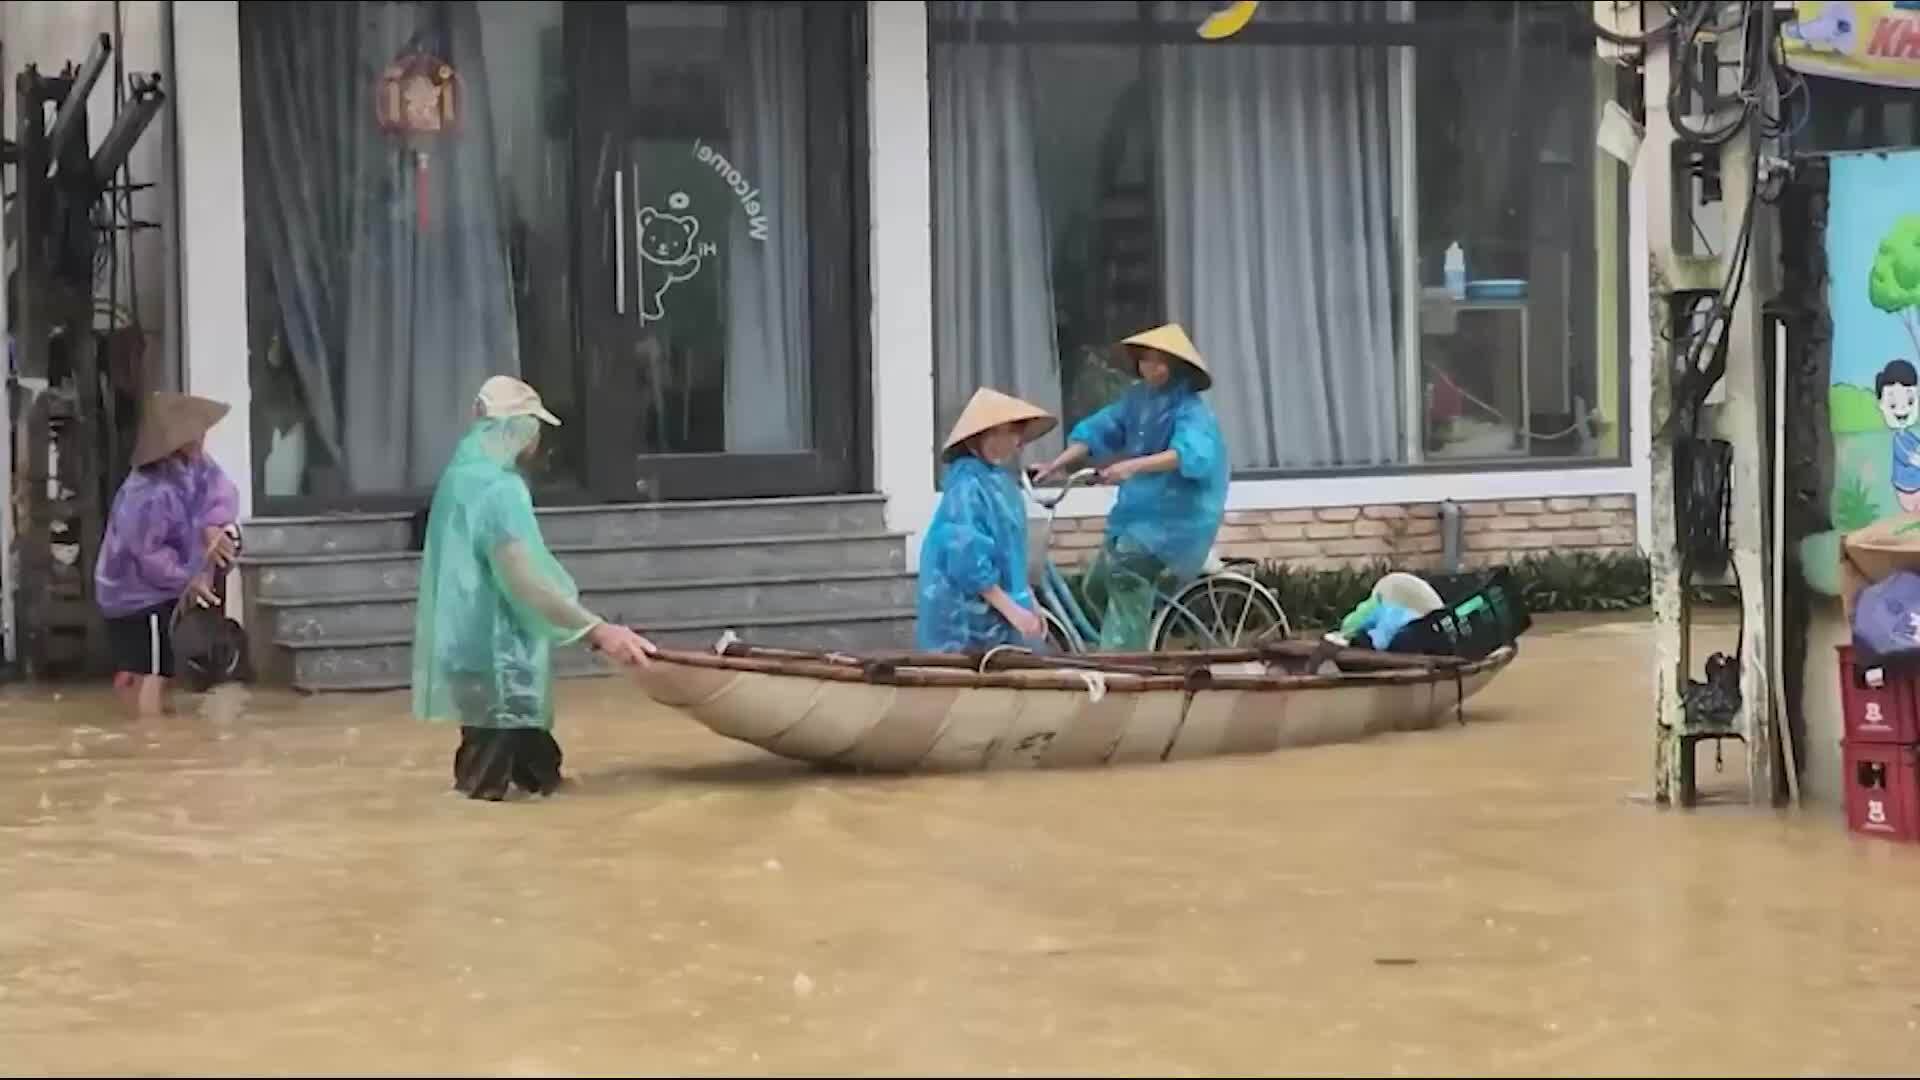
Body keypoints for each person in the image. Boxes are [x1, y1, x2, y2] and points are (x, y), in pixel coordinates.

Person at [412, 375, 657, 802]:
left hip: (471, 658)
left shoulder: (459, 479)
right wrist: (600, 632)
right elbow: (523, 581)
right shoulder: (501, 490)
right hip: (503, 669)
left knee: (541, 783)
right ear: (520, 429)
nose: (538, 441)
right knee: (482, 797)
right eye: (535, 428)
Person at [1035, 323, 1228, 651]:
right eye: (1145, 360)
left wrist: (1131, 466)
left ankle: (1125, 663)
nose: (1150, 368)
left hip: (1178, 515)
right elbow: (1100, 429)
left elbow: (1188, 454)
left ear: (1177, 366)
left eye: (1160, 361)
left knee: (1126, 576)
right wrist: (1057, 464)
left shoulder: (1192, 410)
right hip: (1139, 511)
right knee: (1096, 585)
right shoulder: (1138, 400)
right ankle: (1128, 636)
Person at [95, 392, 243, 718]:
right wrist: (187, 579)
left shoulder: (198, 467)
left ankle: (147, 712)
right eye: (196, 433)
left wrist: (212, 525)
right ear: (178, 442)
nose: (203, 437)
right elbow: (147, 553)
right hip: (135, 594)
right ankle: (151, 737)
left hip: (165, 588)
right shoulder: (147, 492)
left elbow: (223, 493)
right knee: (156, 669)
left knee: (156, 665)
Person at [916, 387, 1057, 653]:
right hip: (967, 619)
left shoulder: (1000, 483)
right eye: (1011, 431)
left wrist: (1030, 603)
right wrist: (1013, 611)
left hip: (1001, 610)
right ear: (985, 434)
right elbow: (966, 560)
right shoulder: (966, 486)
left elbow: (1012, 555)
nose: (1018, 441)